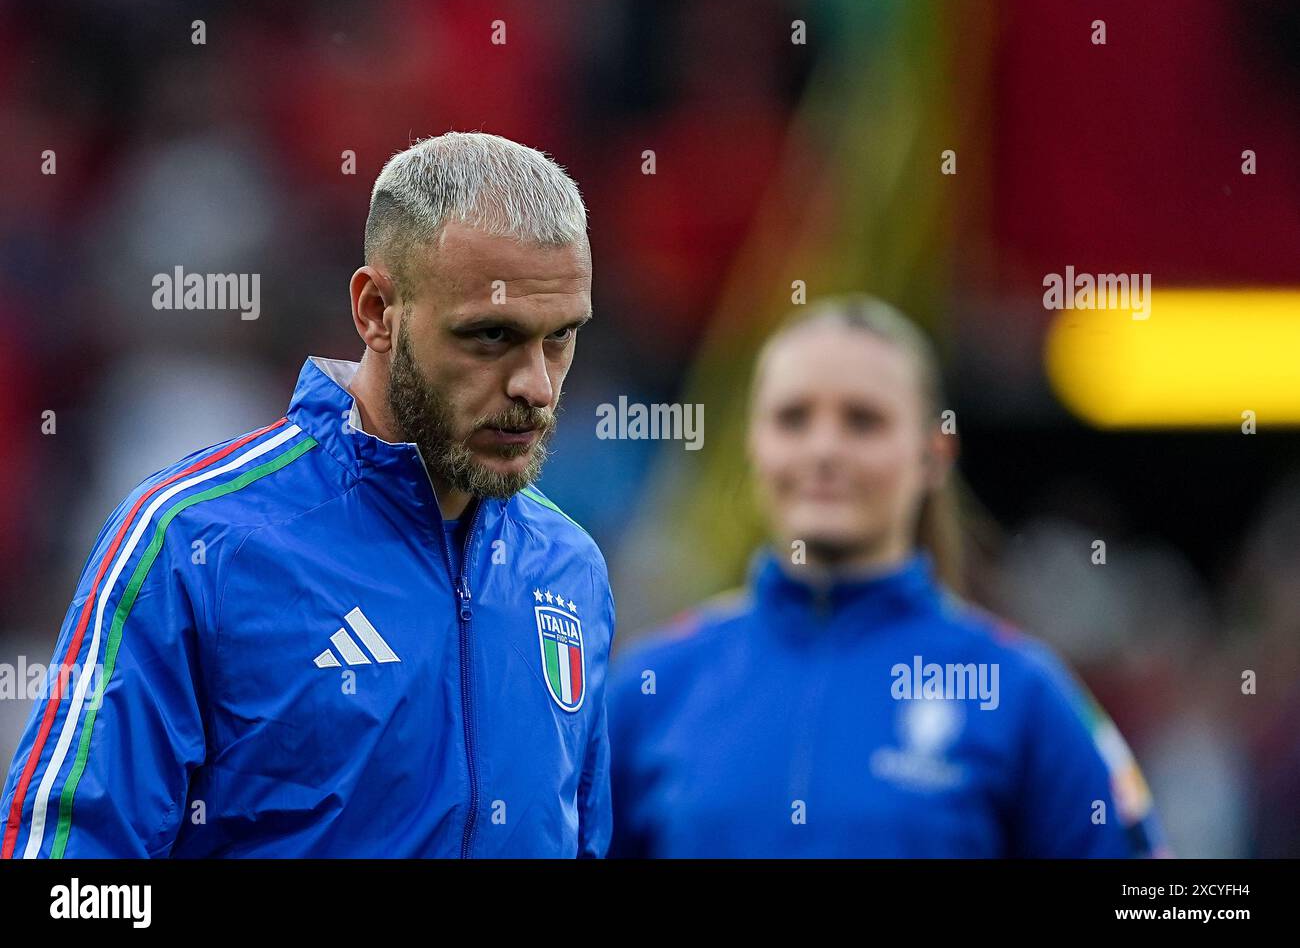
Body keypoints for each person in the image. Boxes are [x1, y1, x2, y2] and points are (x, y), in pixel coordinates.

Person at [0, 132, 614, 858]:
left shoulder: (571, 570)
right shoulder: (191, 544)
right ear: (376, 311)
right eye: (490, 336)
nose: (536, 387)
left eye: (560, 338)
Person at [608, 295, 1168, 857]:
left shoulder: (1023, 695)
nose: (824, 449)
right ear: (753, 444)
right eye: (793, 419)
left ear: (933, 454)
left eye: (863, 421)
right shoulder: (652, 687)